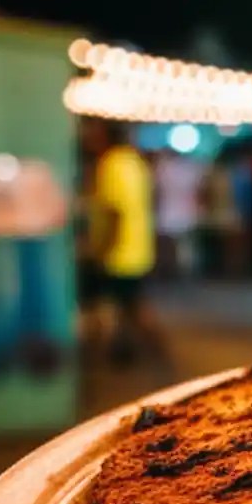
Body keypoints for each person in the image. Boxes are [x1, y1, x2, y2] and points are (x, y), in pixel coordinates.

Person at [89, 118, 166, 364]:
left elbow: (114, 211)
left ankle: (147, 350)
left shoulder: (111, 163)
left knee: (125, 305)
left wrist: (102, 248)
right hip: (139, 247)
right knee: (131, 304)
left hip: (118, 251)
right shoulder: (136, 161)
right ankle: (136, 350)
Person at [154, 149, 203, 279]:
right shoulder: (190, 169)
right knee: (184, 247)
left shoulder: (163, 168)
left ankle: (169, 271)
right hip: (184, 213)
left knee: (168, 247)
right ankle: (183, 272)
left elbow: (156, 190)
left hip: (169, 213)